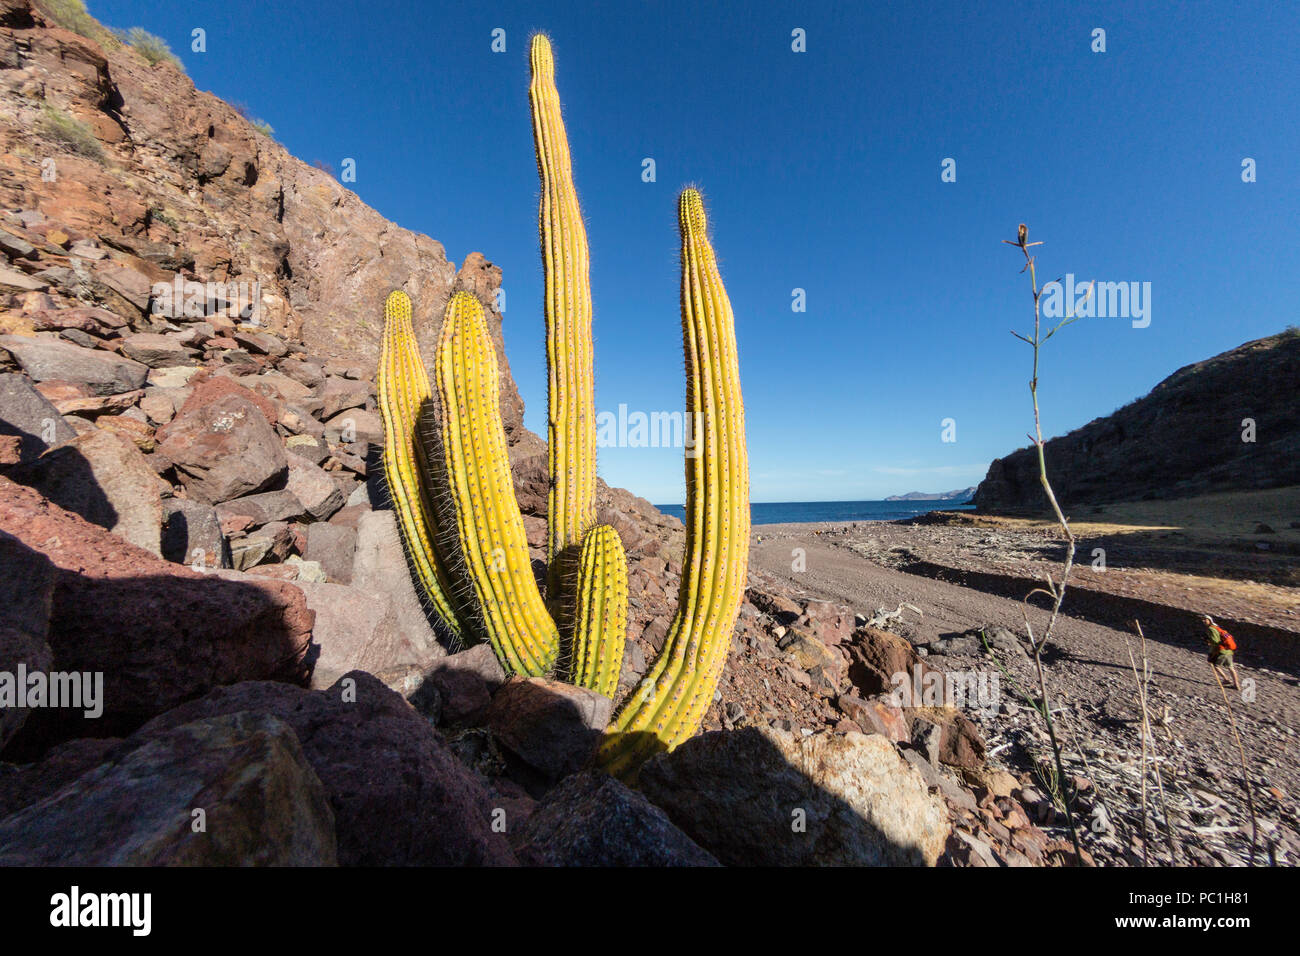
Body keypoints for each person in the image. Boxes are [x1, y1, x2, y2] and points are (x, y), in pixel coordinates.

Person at [1202, 614, 1240, 692]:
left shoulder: (1211, 629)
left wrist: (1208, 641)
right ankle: (1236, 685)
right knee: (1231, 667)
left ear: (1209, 620)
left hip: (1221, 651)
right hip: (1229, 651)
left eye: (1205, 619)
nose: (1203, 621)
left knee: (1214, 665)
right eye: (1203, 620)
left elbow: (1215, 641)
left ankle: (1226, 679)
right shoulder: (1218, 628)